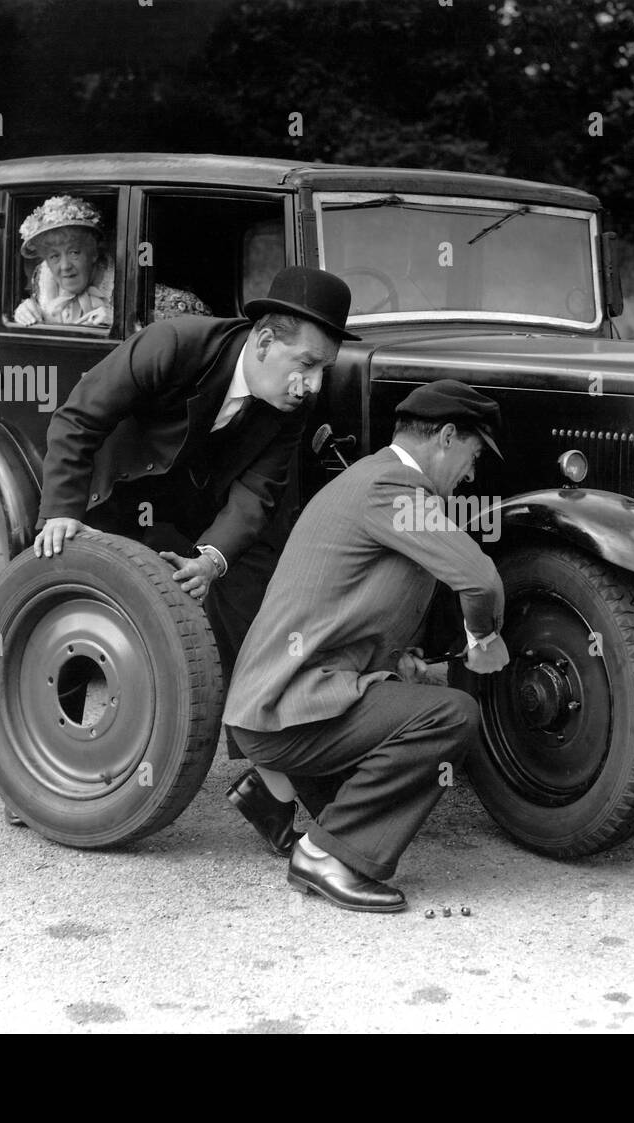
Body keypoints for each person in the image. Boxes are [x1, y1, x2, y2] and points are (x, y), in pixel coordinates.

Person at [224, 380, 510, 913]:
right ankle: (328, 857)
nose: (472, 474)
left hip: (283, 700)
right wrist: (484, 639)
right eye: (472, 455)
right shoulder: (393, 490)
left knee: (403, 741)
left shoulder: (368, 480)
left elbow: (354, 614)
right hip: (286, 707)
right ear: (447, 436)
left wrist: (409, 668)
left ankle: (273, 792)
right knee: (451, 716)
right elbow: (479, 579)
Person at [31, 265, 357, 681]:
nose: (312, 385)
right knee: (74, 608)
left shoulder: (296, 400)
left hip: (199, 513)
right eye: (307, 364)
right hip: (118, 494)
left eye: (322, 371)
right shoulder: (173, 343)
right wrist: (62, 511)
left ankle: (250, 730)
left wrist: (212, 559)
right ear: (265, 342)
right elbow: (78, 419)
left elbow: (258, 490)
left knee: (252, 582)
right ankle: (56, 724)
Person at [13, 196, 114, 327]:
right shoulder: (44, 289)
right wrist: (25, 312)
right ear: (47, 263)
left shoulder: (117, 284)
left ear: (93, 253)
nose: (65, 266)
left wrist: (116, 320)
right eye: (54, 256)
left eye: (74, 253)